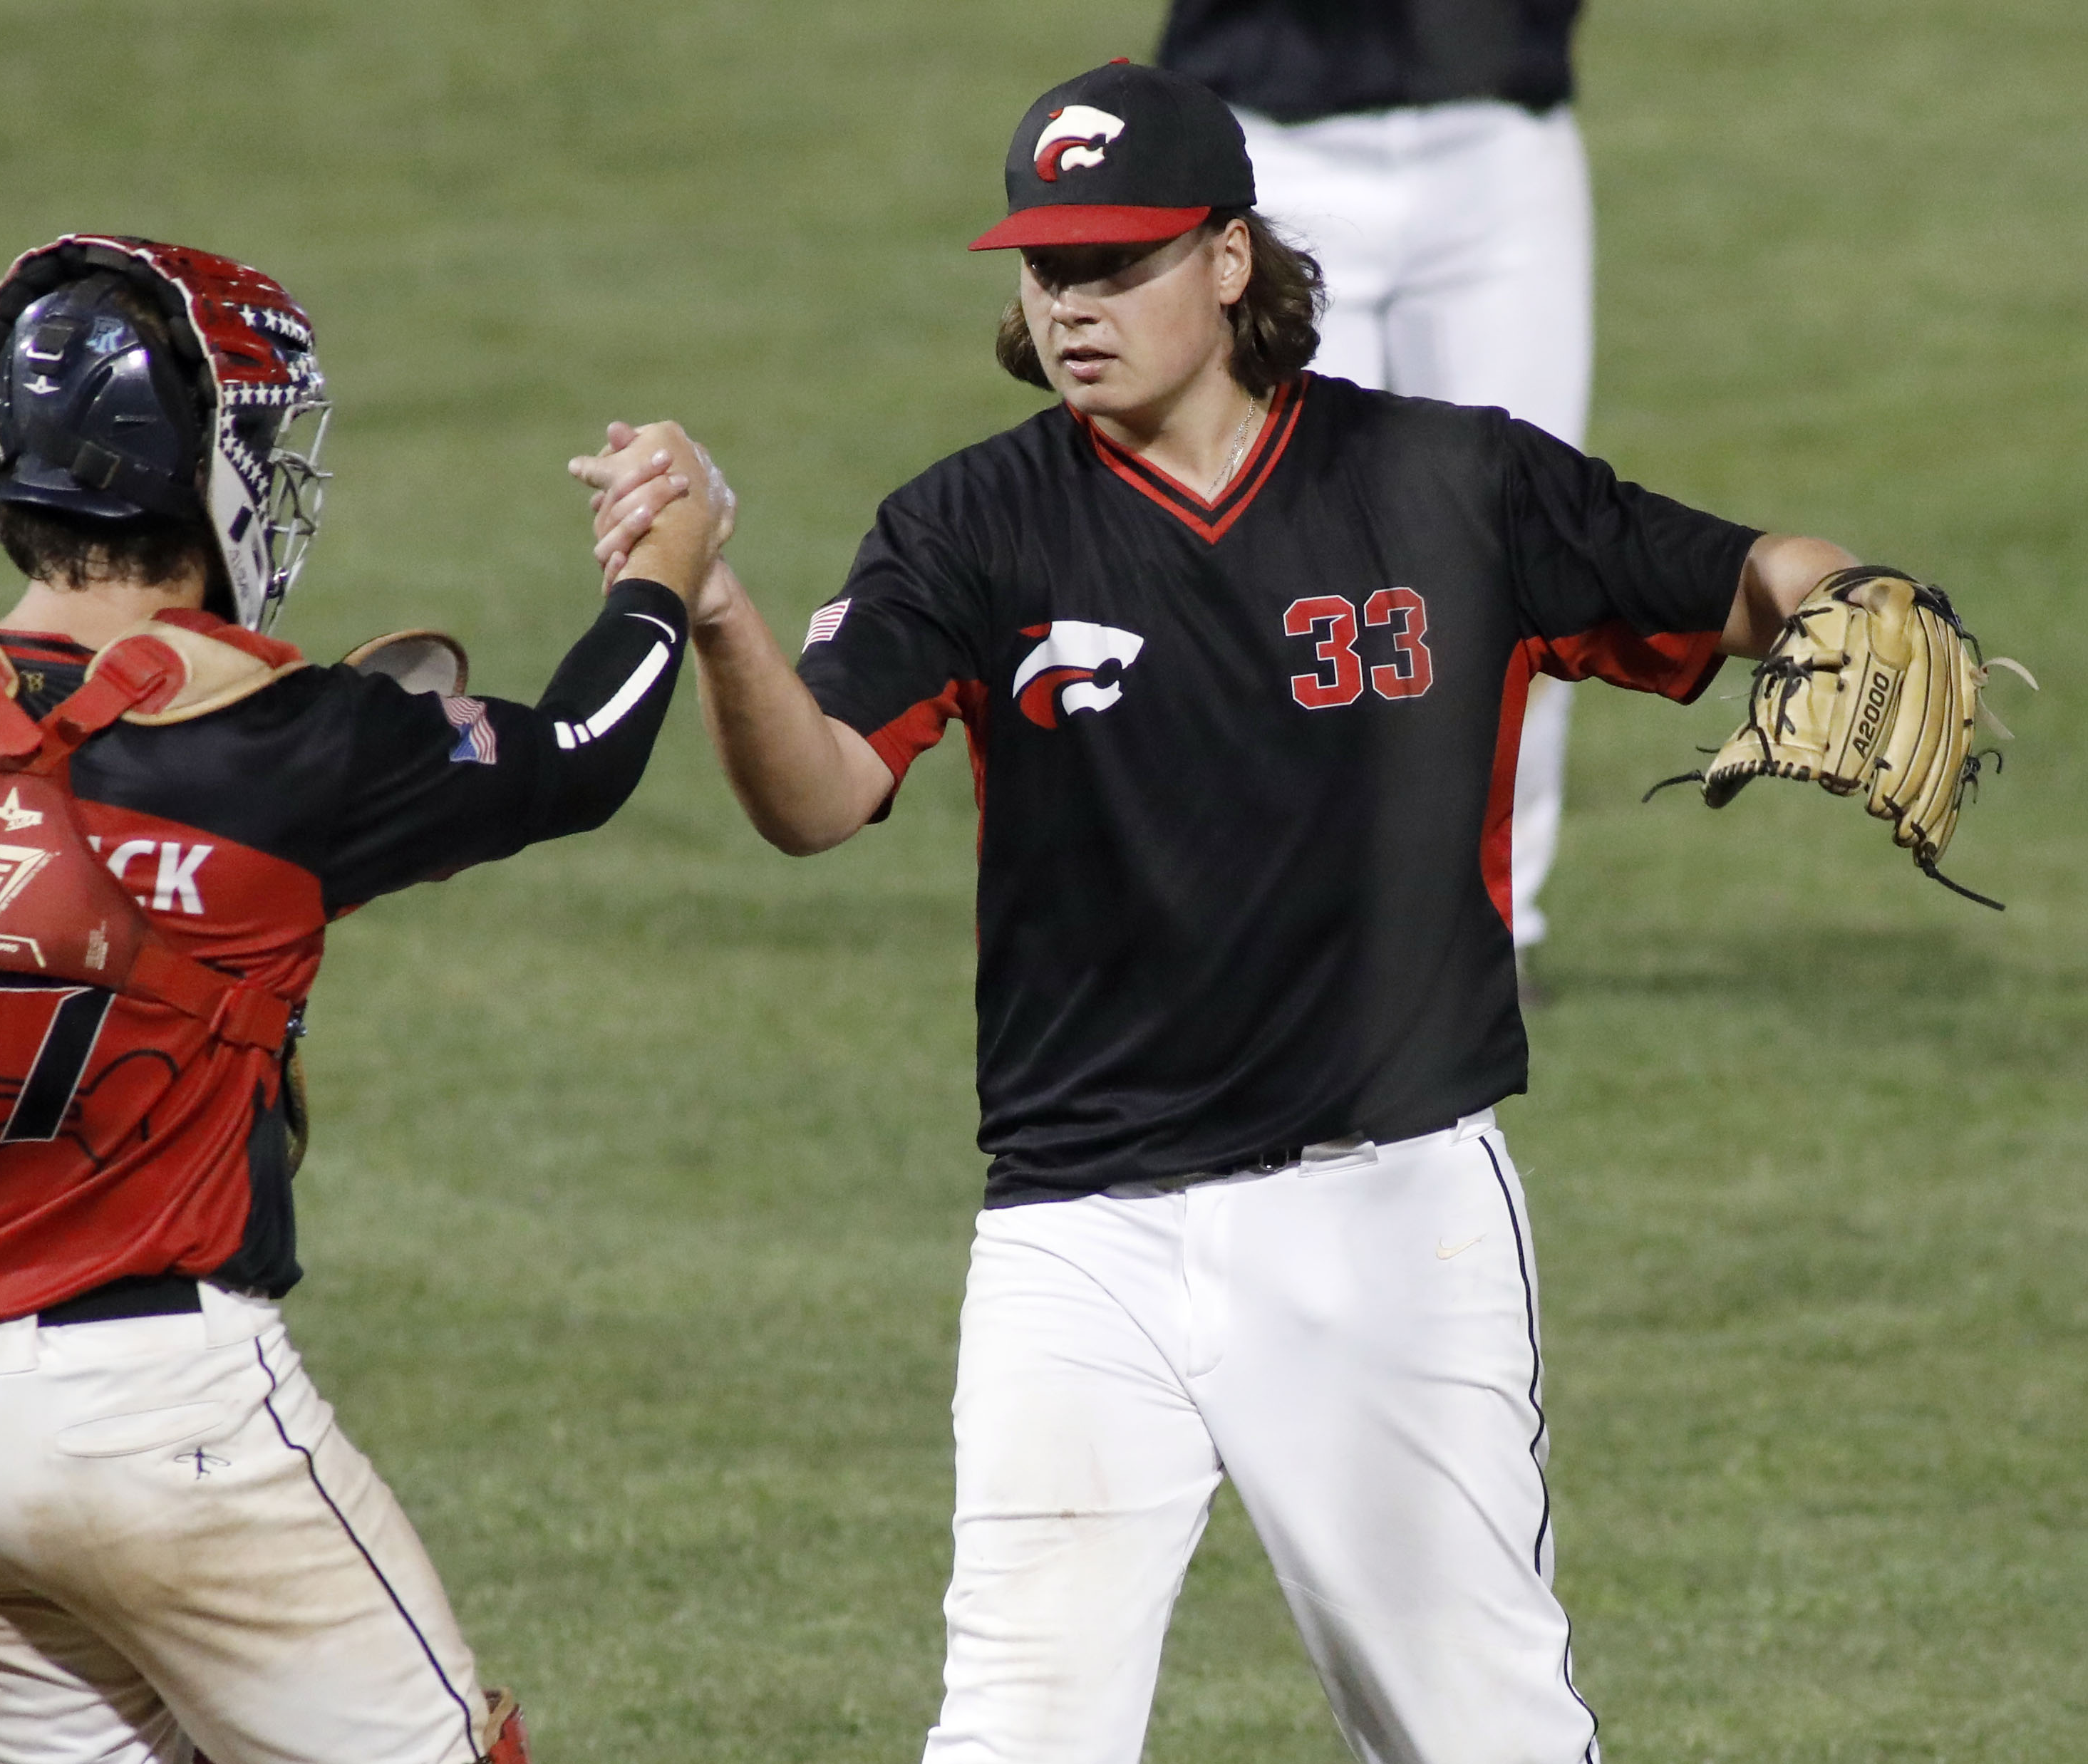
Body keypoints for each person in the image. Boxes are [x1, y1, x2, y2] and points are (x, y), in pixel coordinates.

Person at [574, 61, 1896, 1764]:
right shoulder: (968, 527)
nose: (1072, 307)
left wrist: (1845, 591)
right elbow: (817, 795)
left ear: (1225, 259)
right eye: (1046, 270)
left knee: (1480, 1733)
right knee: (1012, 1734)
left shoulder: (1444, 482)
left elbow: (1739, 572)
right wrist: (722, 607)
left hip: (1385, 1208)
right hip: (1078, 1229)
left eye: (1115, 264)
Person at [0, 234, 727, 1764]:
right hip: (164, 1417)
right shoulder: (295, 741)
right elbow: (578, 754)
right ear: (213, 467)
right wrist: (664, 567)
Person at [1159, 0, 1594, 976]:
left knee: (1522, 548)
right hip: (1267, 136)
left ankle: (1491, 930)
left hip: (1500, 132)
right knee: (1271, 560)